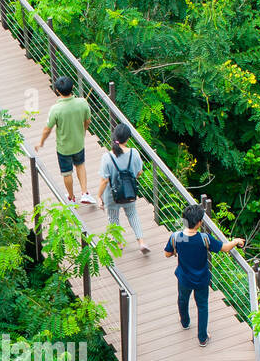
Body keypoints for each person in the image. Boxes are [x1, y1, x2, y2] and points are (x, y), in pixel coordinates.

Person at [164, 203, 245, 347]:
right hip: (201, 279)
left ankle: (185, 322)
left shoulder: (176, 237)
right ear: (199, 222)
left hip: (184, 277)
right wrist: (236, 241)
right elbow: (225, 248)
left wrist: (177, 251)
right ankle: (202, 338)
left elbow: (167, 254)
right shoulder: (204, 238)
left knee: (182, 299)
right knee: (202, 306)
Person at [37, 76, 95, 205]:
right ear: (73, 87)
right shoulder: (82, 103)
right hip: (79, 143)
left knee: (67, 172)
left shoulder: (55, 109)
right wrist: (83, 131)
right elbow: (87, 121)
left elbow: (47, 129)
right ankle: (85, 193)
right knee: (80, 165)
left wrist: (41, 142)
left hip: (63, 147)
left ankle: (71, 197)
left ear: (57, 91)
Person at [95, 124, 148, 253]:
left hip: (112, 195)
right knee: (132, 214)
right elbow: (139, 172)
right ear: (128, 138)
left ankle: (119, 243)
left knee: (113, 218)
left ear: (114, 137)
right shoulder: (134, 153)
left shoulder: (107, 157)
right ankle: (141, 242)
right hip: (129, 191)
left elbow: (104, 180)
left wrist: (98, 196)